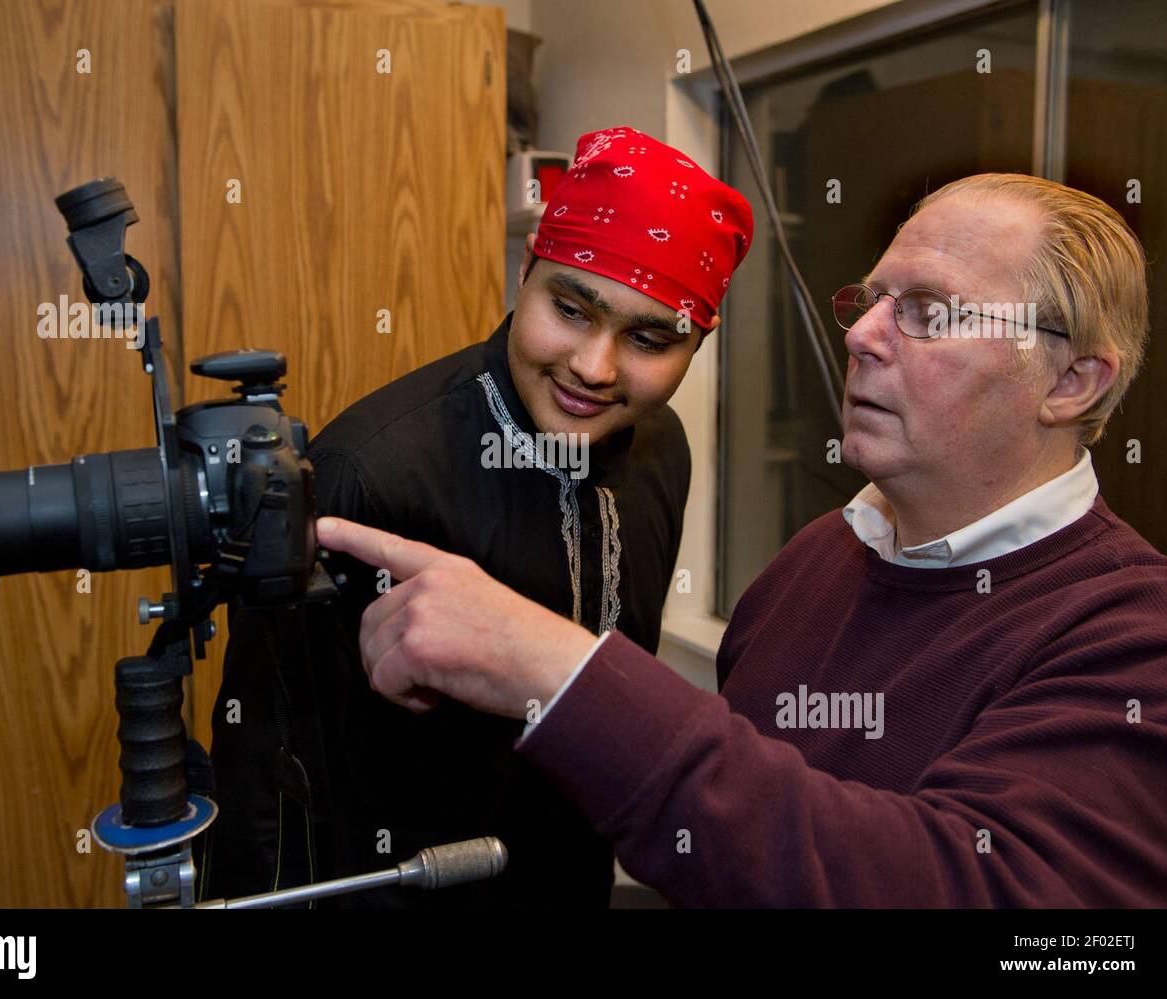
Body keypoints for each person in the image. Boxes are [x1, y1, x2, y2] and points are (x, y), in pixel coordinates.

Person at [317, 173, 1167, 906]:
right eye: (872, 300)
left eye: (928, 312)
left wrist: (559, 673)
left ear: (1071, 380)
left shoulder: (1145, 645)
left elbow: (972, 893)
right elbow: (730, 838)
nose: (860, 335)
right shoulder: (815, 560)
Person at [196, 125, 755, 907]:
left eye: (650, 338)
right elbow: (266, 770)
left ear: (697, 342)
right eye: (570, 308)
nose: (594, 368)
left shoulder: (662, 448)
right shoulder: (369, 471)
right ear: (525, 271)